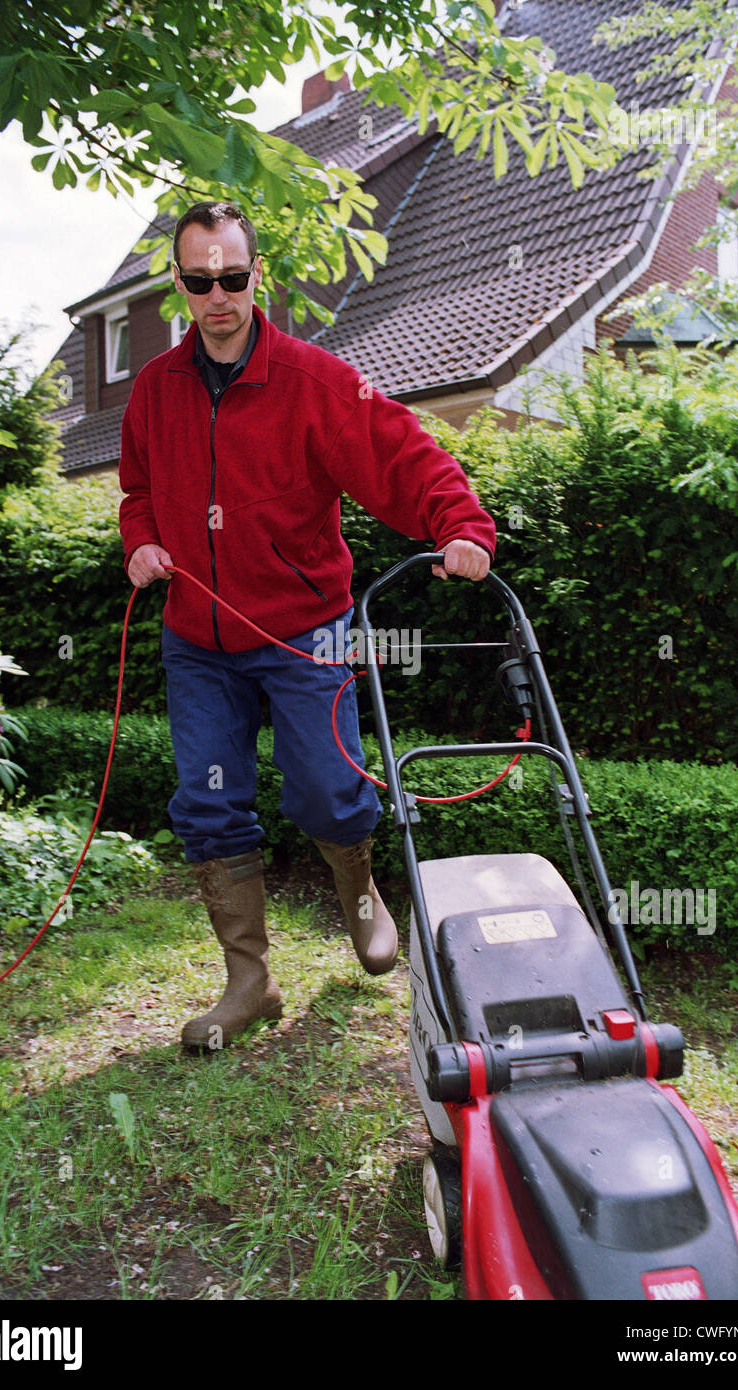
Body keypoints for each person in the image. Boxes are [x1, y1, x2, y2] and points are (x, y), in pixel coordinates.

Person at [119, 201, 496, 1050]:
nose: (217, 293)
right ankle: (248, 981)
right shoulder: (153, 391)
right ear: (178, 284)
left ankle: (360, 894)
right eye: (199, 278)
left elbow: (405, 453)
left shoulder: (314, 381)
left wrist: (460, 526)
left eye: (232, 275)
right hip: (198, 640)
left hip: (305, 632)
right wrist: (141, 542)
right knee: (207, 804)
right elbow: (137, 492)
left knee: (329, 786)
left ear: (259, 277)